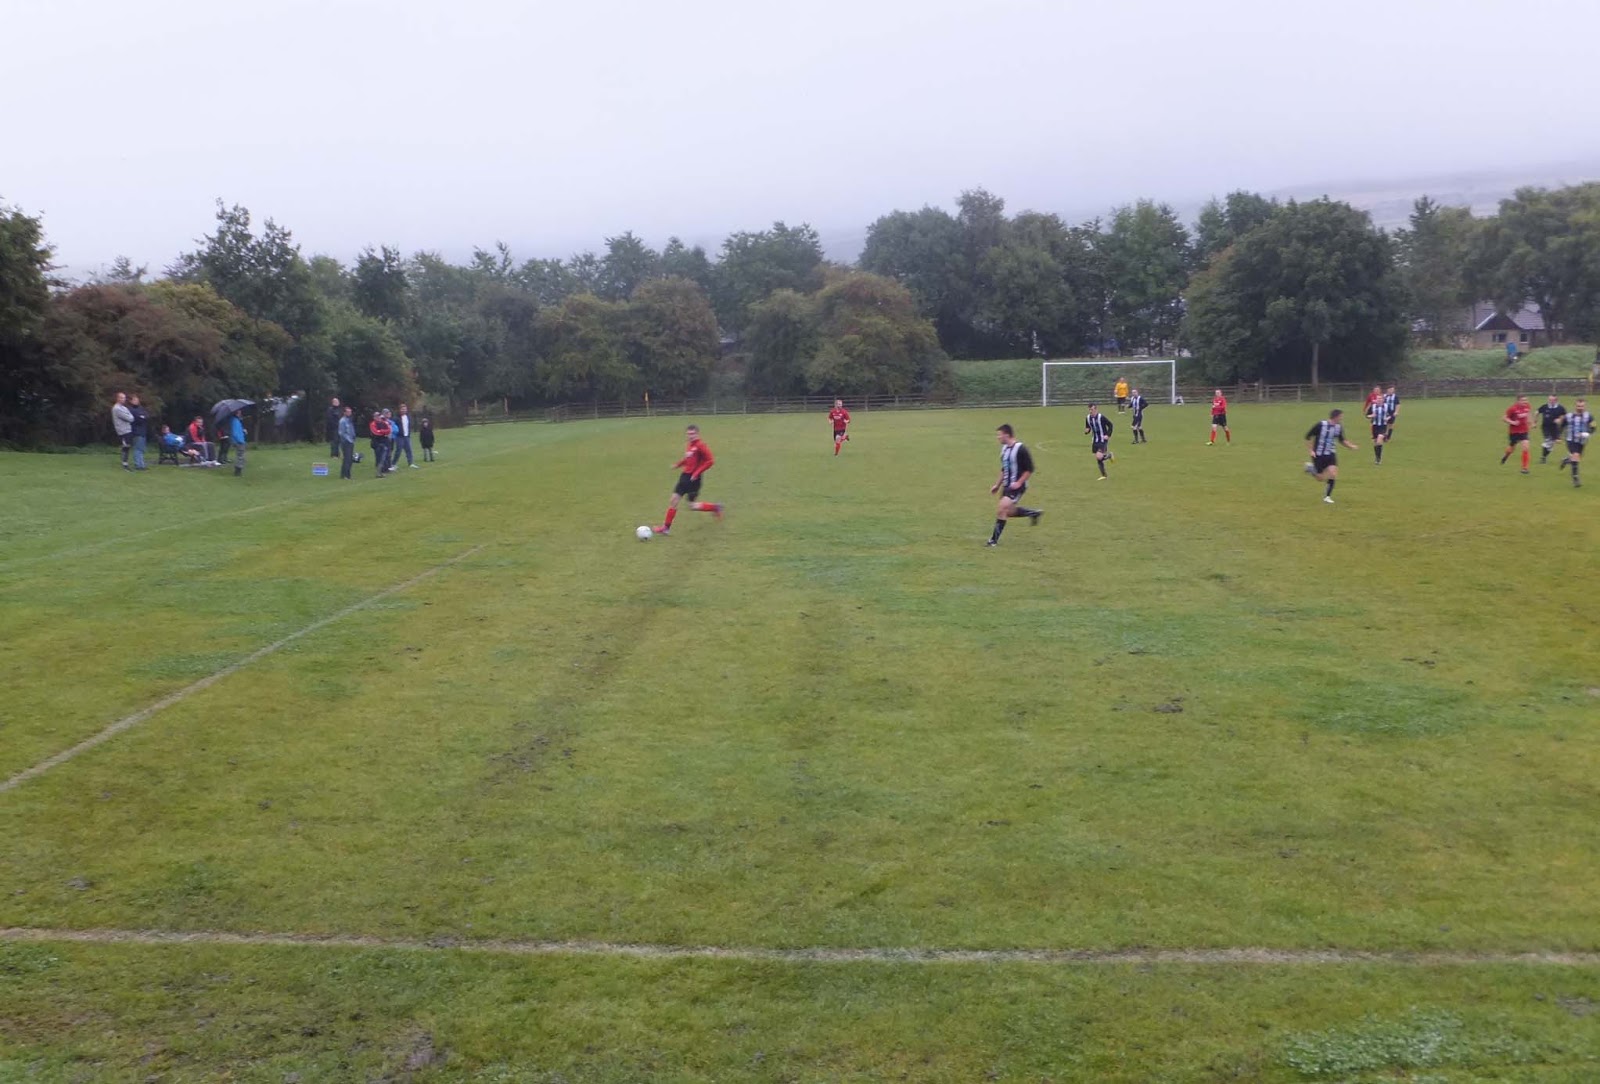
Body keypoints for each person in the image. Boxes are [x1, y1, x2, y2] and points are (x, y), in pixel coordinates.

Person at [654, 424, 723, 535]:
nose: (690, 436)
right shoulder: (690, 445)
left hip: (694, 480)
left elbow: (710, 461)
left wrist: (696, 473)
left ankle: (715, 507)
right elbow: (688, 459)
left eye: (692, 434)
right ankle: (666, 528)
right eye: (688, 434)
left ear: (697, 434)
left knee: (692, 506)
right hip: (684, 477)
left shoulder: (701, 446)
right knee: (673, 500)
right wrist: (678, 464)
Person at [986, 424, 1042, 546]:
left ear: (1007, 435)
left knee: (1001, 509)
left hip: (1017, 487)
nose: (998, 437)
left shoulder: (1021, 449)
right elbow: (1004, 469)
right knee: (1008, 512)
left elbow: (1029, 469)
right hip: (1007, 486)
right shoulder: (1004, 450)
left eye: (999, 435)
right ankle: (1033, 513)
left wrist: (1019, 483)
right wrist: (997, 485)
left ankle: (993, 541)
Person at [1303, 408, 1359, 504]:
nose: (1341, 418)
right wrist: (1311, 450)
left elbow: (1342, 440)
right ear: (1335, 417)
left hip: (1330, 454)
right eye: (1340, 417)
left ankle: (1327, 497)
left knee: (1333, 474)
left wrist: (1351, 446)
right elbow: (1308, 436)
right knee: (1320, 478)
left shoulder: (1338, 427)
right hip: (1318, 454)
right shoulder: (1321, 425)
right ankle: (1311, 468)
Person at [1556, 397, 1592, 488]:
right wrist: (1558, 436)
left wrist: (1586, 433)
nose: (1580, 408)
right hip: (1571, 440)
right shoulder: (1569, 416)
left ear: (1585, 406)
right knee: (1575, 456)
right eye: (1578, 406)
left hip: (1582, 441)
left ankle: (1566, 460)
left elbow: (1593, 427)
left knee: (1577, 458)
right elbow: (1562, 426)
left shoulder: (1588, 416)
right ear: (1575, 406)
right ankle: (1575, 479)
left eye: (1582, 406)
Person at [1501, 394, 1532, 474]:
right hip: (1514, 432)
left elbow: (1528, 413)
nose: (1525, 402)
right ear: (1518, 401)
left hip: (1524, 431)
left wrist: (1530, 421)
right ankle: (1506, 455)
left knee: (1526, 448)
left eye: (1526, 400)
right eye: (1523, 400)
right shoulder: (1512, 409)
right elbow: (1504, 418)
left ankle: (1524, 468)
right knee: (1511, 449)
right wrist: (1513, 422)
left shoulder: (1527, 406)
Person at [1084, 403, 1113, 480]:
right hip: (1095, 440)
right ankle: (1104, 475)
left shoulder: (1101, 417)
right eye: (1089, 409)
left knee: (1099, 456)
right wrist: (1087, 431)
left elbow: (1110, 425)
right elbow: (1088, 427)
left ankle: (1104, 474)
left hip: (1103, 439)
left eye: (1092, 409)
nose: (1090, 411)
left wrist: (1108, 435)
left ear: (1096, 409)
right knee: (1098, 458)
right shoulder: (1088, 418)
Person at [1537, 393, 1567, 465]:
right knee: (1548, 441)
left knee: (1551, 445)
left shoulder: (1560, 408)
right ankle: (1543, 458)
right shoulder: (1545, 406)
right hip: (1546, 427)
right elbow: (1537, 412)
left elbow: (1564, 416)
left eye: (1552, 400)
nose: (1551, 401)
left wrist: (1560, 419)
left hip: (1555, 428)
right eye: (1549, 400)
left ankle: (1543, 457)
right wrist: (1534, 422)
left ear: (1556, 400)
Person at [1365, 390, 1393, 465]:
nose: (1379, 400)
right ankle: (1377, 458)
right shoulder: (1373, 406)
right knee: (1376, 443)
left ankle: (1378, 458)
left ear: (1383, 399)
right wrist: (1371, 416)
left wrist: (1387, 418)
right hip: (1375, 426)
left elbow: (1391, 414)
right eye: (1378, 398)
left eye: (1381, 398)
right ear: (1376, 399)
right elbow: (1367, 415)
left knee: (1379, 439)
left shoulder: (1386, 406)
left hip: (1383, 426)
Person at [111, 392, 134, 471]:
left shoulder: (124, 408)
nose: (123, 399)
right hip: (122, 431)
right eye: (121, 398)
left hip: (128, 429)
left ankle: (125, 463)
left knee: (127, 447)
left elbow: (131, 417)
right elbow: (129, 418)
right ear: (117, 398)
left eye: (124, 398)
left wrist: (130, 417)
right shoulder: (117, 408)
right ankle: (125, 465)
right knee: (125, 447)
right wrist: (130, 417)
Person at [128, 394, 149, 470]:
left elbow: (146, 416)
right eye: (134, 400)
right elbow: (137, 418)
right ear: (131, 401)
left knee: (141, 449)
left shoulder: (141, 408)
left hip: (143, 431)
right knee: (137, 449)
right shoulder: (131, 410)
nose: (136, 401)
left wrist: (143, 417)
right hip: (136, 432)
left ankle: (142, 464)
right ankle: (138, 465)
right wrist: (142, 417)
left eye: (137, 400)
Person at [393, 403, 417, 468]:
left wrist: (408, 433)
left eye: (405, 409)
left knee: (409, 450)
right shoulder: (396, 418)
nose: (404, 410)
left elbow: (409, 425)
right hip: (399, 437)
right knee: (398, 451)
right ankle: (393, 464)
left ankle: (410, 463)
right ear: (400, 410)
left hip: (407, 436)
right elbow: (394, 427)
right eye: (402, 409)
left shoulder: (408, 417)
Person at [369, 411, 392, 476]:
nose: (378, 417)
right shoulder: (373, 424)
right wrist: (384, 433)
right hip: (377, 443)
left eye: (379, 416)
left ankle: (384, 470)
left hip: (385, 442)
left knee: (385, 456)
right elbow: (375, 432)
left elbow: (389, 430)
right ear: (374, 417)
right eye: (376, 416)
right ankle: (379, 472)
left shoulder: (384, 422)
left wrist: (381, 431)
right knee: (379, 458)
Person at [338, 405, 356, 480]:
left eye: (350, 412)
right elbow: (342, 433)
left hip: (351, 441)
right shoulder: (342, 421)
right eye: (348, 412)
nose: (349, 413)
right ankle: (346, 475)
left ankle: (346, 474)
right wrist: (349, 439)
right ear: (344, 413)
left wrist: (353, 437)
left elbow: (351, 430)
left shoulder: (349, 420)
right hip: (346, 442)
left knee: (350, 458)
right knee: (347, 458)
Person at [229, 410, 247, 477]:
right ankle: (238, 471)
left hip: (239, 440)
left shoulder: (235, 420)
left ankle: (238, 470)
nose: (240, 414)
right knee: (240, 456)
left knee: (240, 456)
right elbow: (235, 433)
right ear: (236, 413)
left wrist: (243, 431)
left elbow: (237, 430)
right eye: (239, 413)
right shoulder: (235, 421)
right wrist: (240, 440)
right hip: (239, 441)